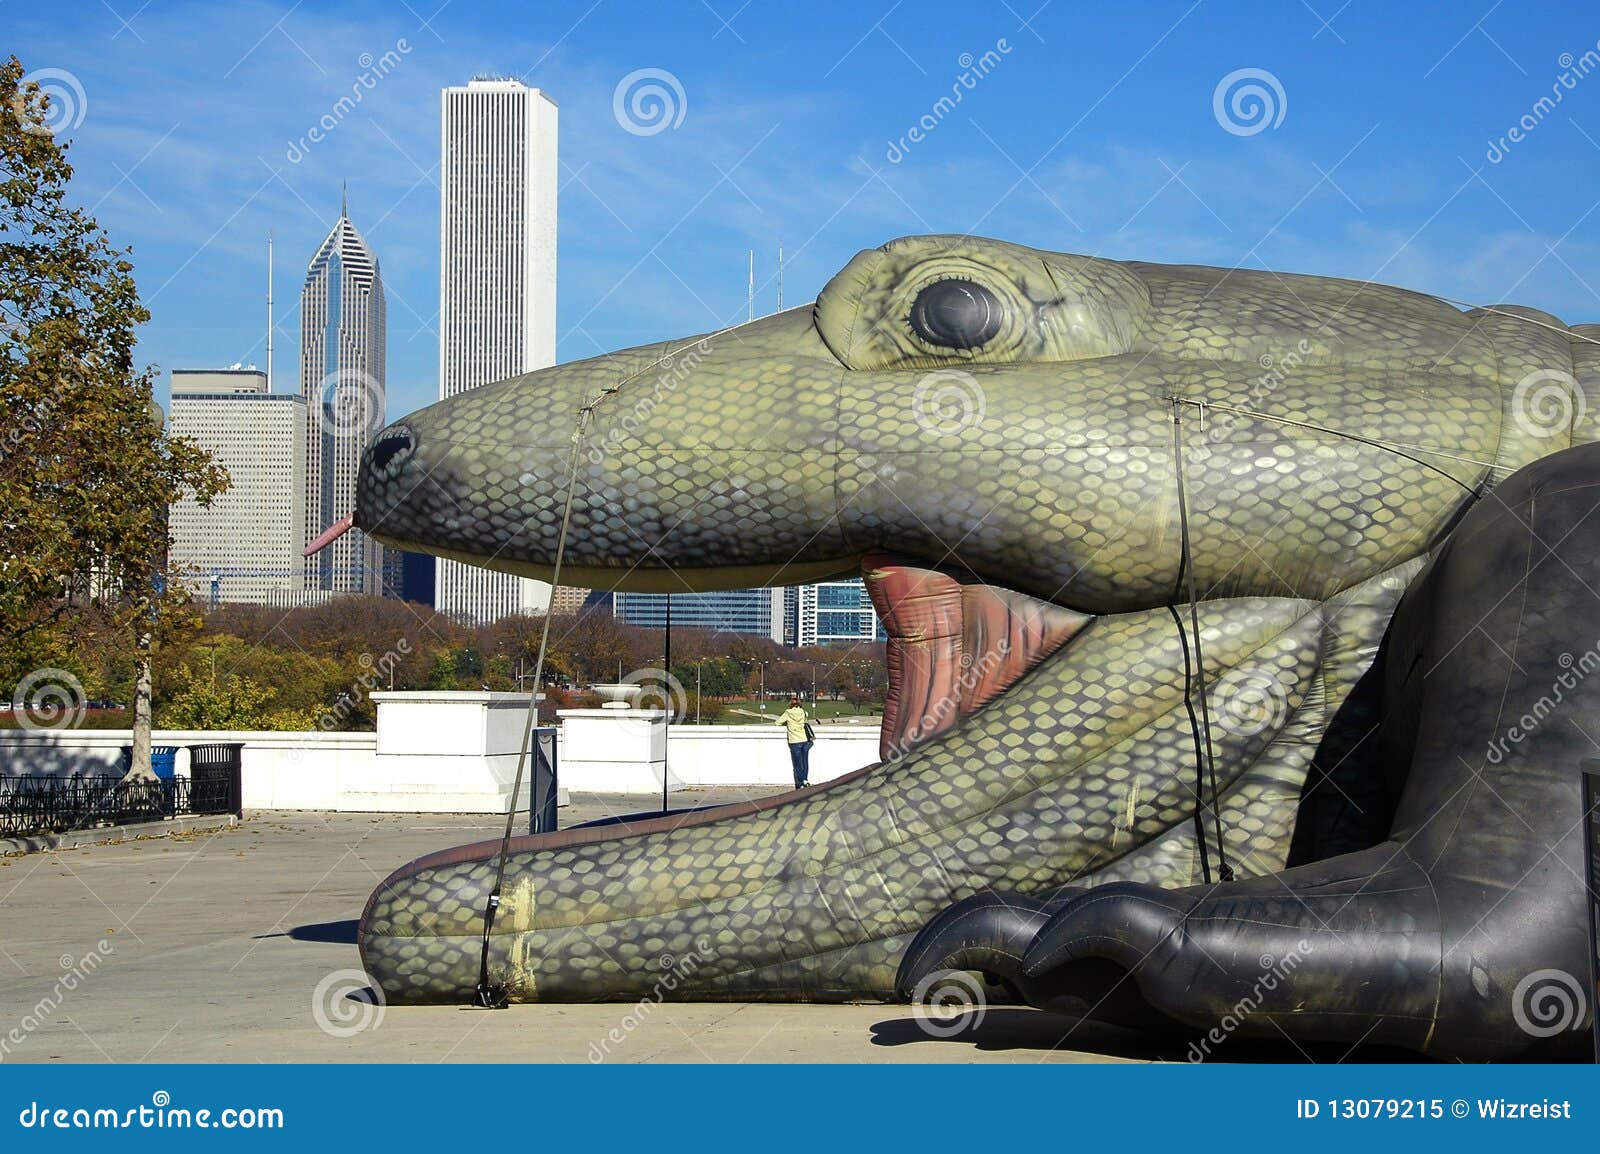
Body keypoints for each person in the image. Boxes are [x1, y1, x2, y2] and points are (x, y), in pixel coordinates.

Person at [776, 696, 812, 789]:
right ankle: (805, 779)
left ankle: (801, 781)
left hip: (794, 740)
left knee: (797, 763)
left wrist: (787, 723)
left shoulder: (788, 713)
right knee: (805, 762)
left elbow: (778, 722)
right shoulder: (803, 712)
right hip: (804, 739)